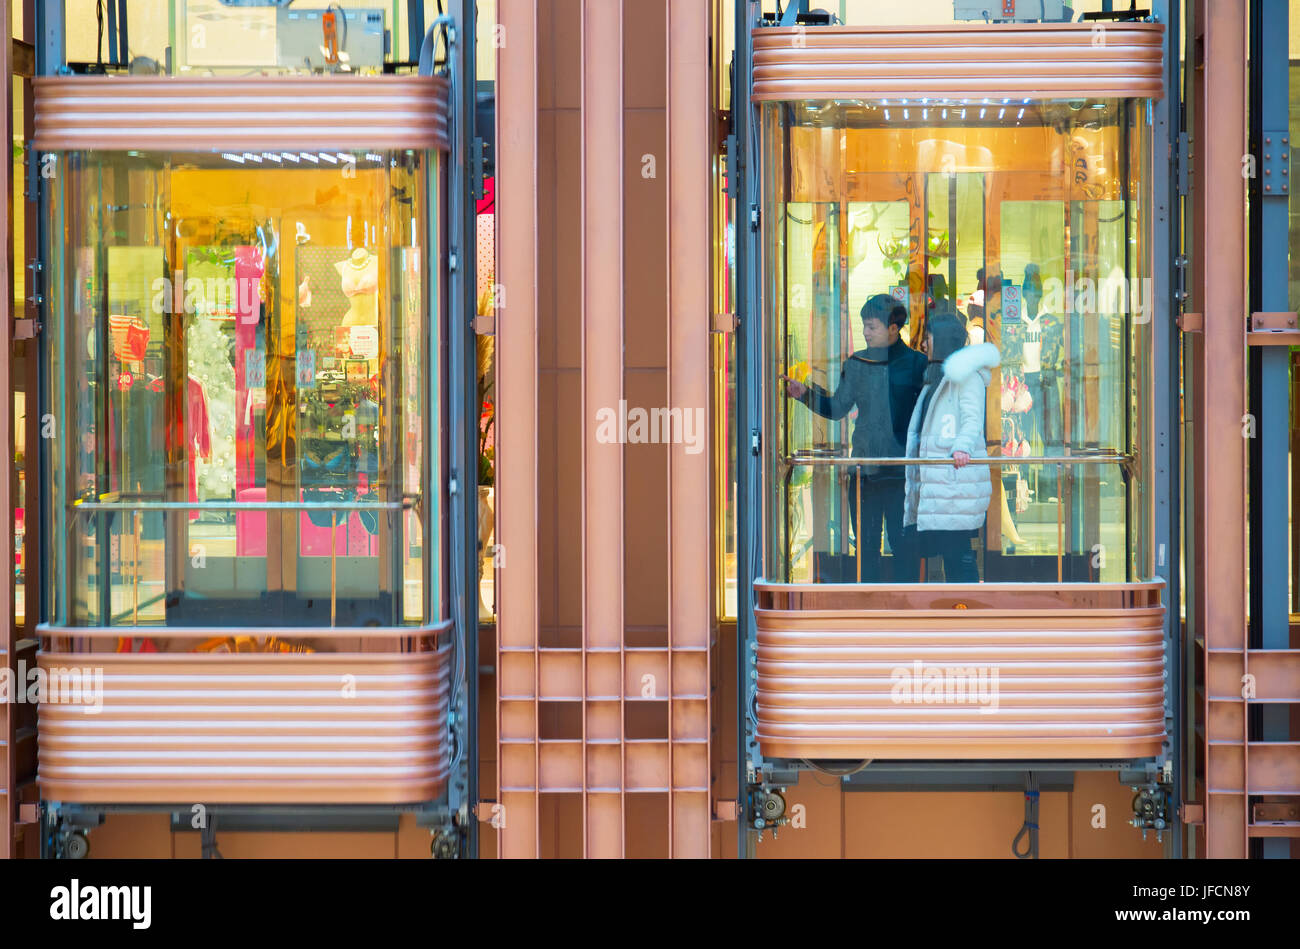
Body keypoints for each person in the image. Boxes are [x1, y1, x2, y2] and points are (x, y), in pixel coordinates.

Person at [783, 294, 927, 581]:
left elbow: (926, 419)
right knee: (866, 547)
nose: (865, 332)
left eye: (872, 326)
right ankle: (868, 609)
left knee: (904, 547)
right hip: (864, 471)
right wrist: (805, 394)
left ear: (893, 328)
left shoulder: (917, 364)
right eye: (864, 326)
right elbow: (838, 408)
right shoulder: (856, 364)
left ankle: (908, 613)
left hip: (903, 473)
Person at [903, 306, 1000, 583]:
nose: (923, 344)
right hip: (943, 484)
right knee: (950, 551)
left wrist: (962, 448)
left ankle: (965, 611)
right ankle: (954, 608)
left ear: (941, 340)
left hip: (954, 481)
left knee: (957, 554)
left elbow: (972, 420)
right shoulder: (937, 378)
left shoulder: (966, 377)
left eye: (929, 338)